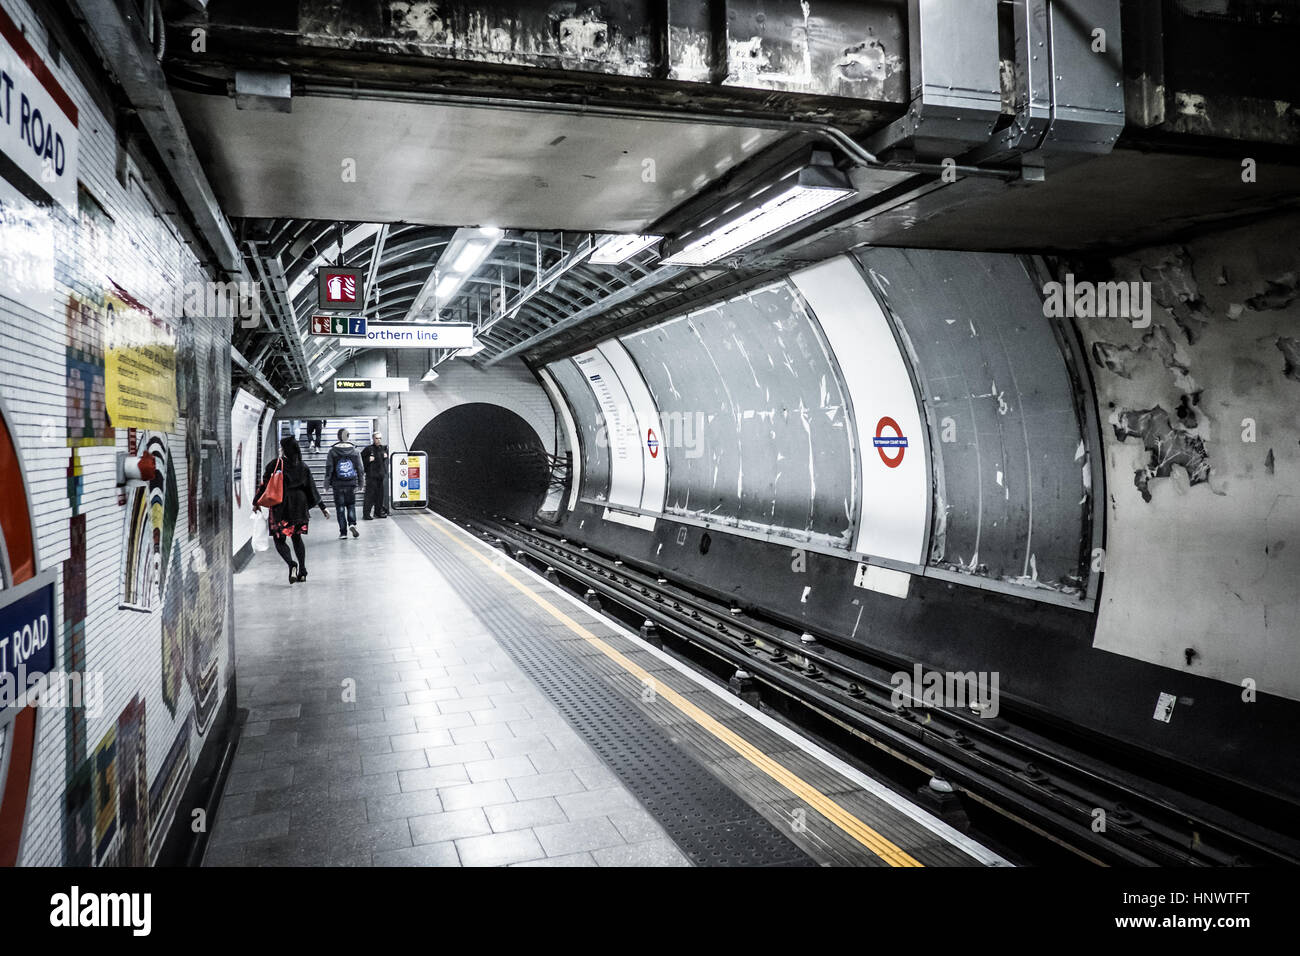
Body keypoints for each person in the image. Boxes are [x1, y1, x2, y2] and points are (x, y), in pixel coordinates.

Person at [254, 436, 328, 584]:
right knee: (296, 537)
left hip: (282, 506)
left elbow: (265, 485)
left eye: (281, 447)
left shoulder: (276, 464)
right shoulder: (303, 466)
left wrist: (256, 502)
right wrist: (323, 507)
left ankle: (291, 564)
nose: (280, 450)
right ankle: (303, 571)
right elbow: (311, 488)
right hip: (300, 506)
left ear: (285, 449)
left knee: (279, 539)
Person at [326, 427, 364, 539]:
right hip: (350, 483)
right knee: (351, 505)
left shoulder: (332, 452)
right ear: (348, 437)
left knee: (340, 508)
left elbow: (329, 468)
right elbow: (360, 469)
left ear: (338, 437)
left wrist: (326, 484)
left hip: (337, 484)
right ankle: (352, 524)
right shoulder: (355, 451)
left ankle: (343, 533)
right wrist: (361, 483)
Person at [361, 431, 390, 520]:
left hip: (380, 476)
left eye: (380, 438)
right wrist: (367, 460)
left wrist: (385, 456)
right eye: (377, 438)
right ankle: (366, 514)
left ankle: (378, 512)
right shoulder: (368, 449)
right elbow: (360, 461)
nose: (378, 440)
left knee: (379, 496)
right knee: (369, 496)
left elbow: (384, 460)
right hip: (371, 476)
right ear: (373, 439)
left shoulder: (383, 449)